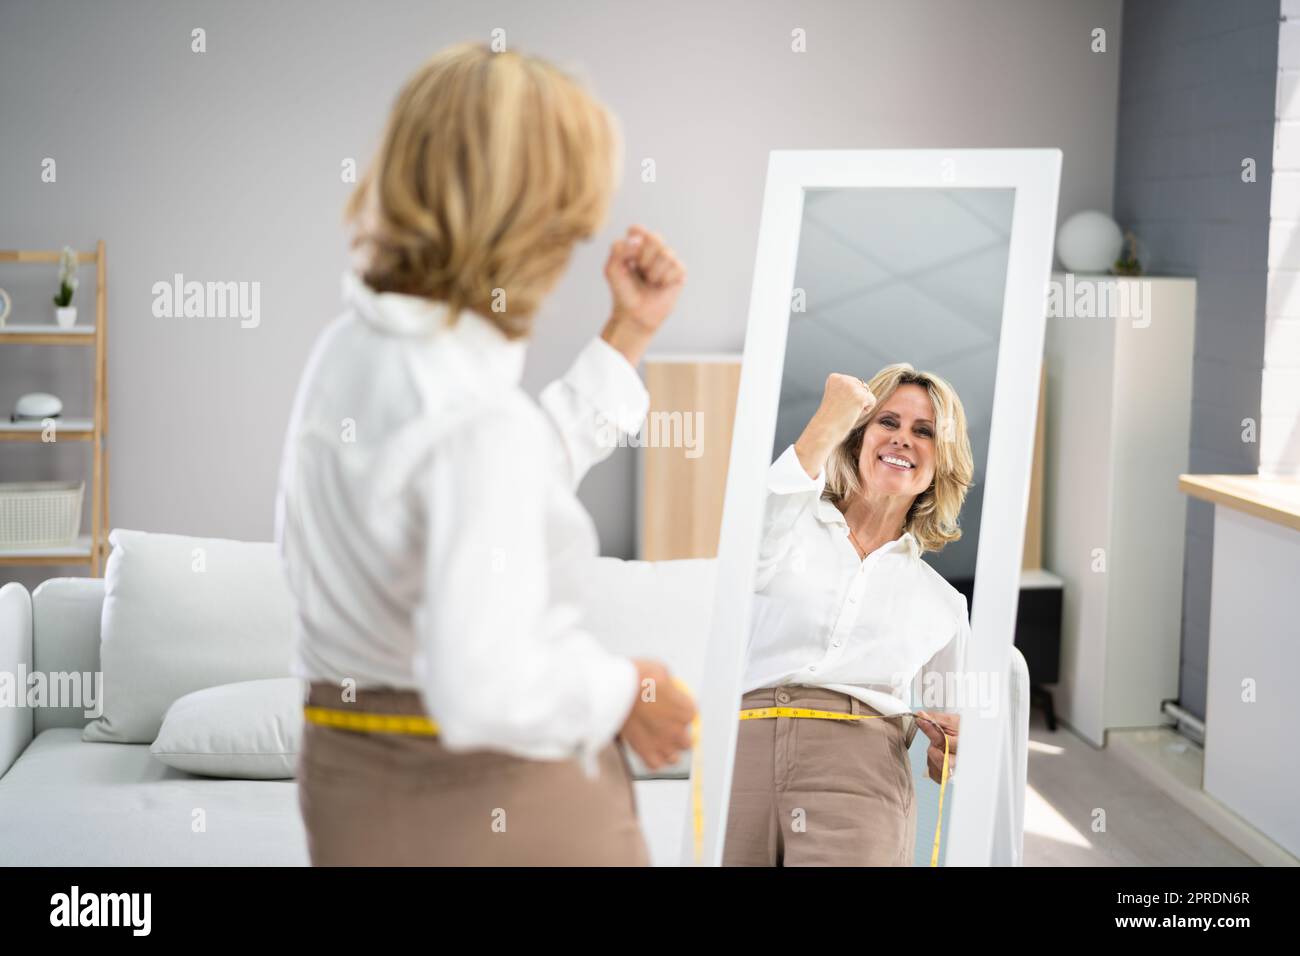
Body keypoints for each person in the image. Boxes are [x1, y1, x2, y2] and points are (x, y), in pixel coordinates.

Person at [275, 41, 695, 866]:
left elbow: (494, 478)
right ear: (533, 221)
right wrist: (626, 687)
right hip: (491, 795)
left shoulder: (351, 352)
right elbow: (486, 686)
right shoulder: (474, 419)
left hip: (348, 785)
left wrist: (628, 333)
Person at [723, 366, 973, 866]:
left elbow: (954, 734)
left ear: (940, 464)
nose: (903, 439)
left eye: (923, 432)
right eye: (888, 422)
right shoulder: (786, 525)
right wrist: (824, 423)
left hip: (859, 774)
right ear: (856, 437)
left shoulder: (943, 603)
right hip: (740, 750)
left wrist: (950, 748)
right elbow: (737, 562)